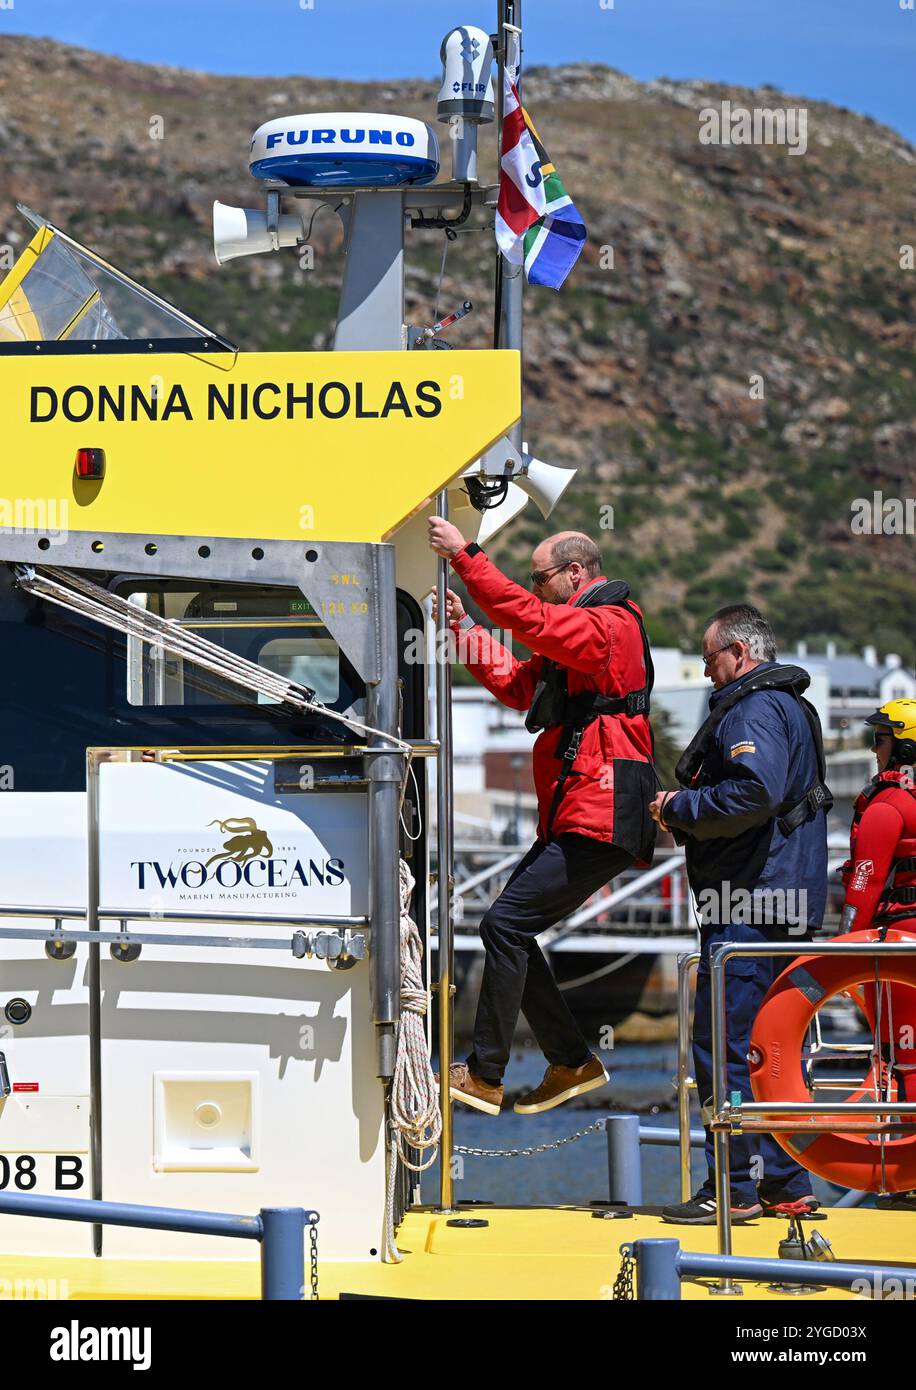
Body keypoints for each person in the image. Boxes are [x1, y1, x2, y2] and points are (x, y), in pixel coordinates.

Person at [428, 518, 657, 1116]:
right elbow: (516, 685)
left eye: (541, 577)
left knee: (503, 926)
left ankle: (487, 1074)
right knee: (509, 928)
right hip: (583, 815)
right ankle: (570, 1063)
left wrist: (466, 557)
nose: (537, 587)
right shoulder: (577, 639)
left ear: (575, 573)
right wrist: (464, 629)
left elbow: (530, 618)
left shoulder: (607, 625)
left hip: (600, 813)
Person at [649, 604, 830, 1223]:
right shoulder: (791, 708)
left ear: (739, 654)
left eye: (709, 660)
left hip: (747, 903)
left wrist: (679, 806)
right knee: (776, 1047)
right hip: (785, 901)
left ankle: (730, 1187)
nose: (706, 674)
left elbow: (754, 791)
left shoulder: (752, 709)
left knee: (723, 1046)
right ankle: (786, 1182)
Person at [840, 699, 916, 1211]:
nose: (873, 749)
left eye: (879, 739)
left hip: (898, 944)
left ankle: (907, 1179)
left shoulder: (888, 805)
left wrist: (843, 950)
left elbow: (864, 885)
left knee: (902, 1056)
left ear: (902, 745)